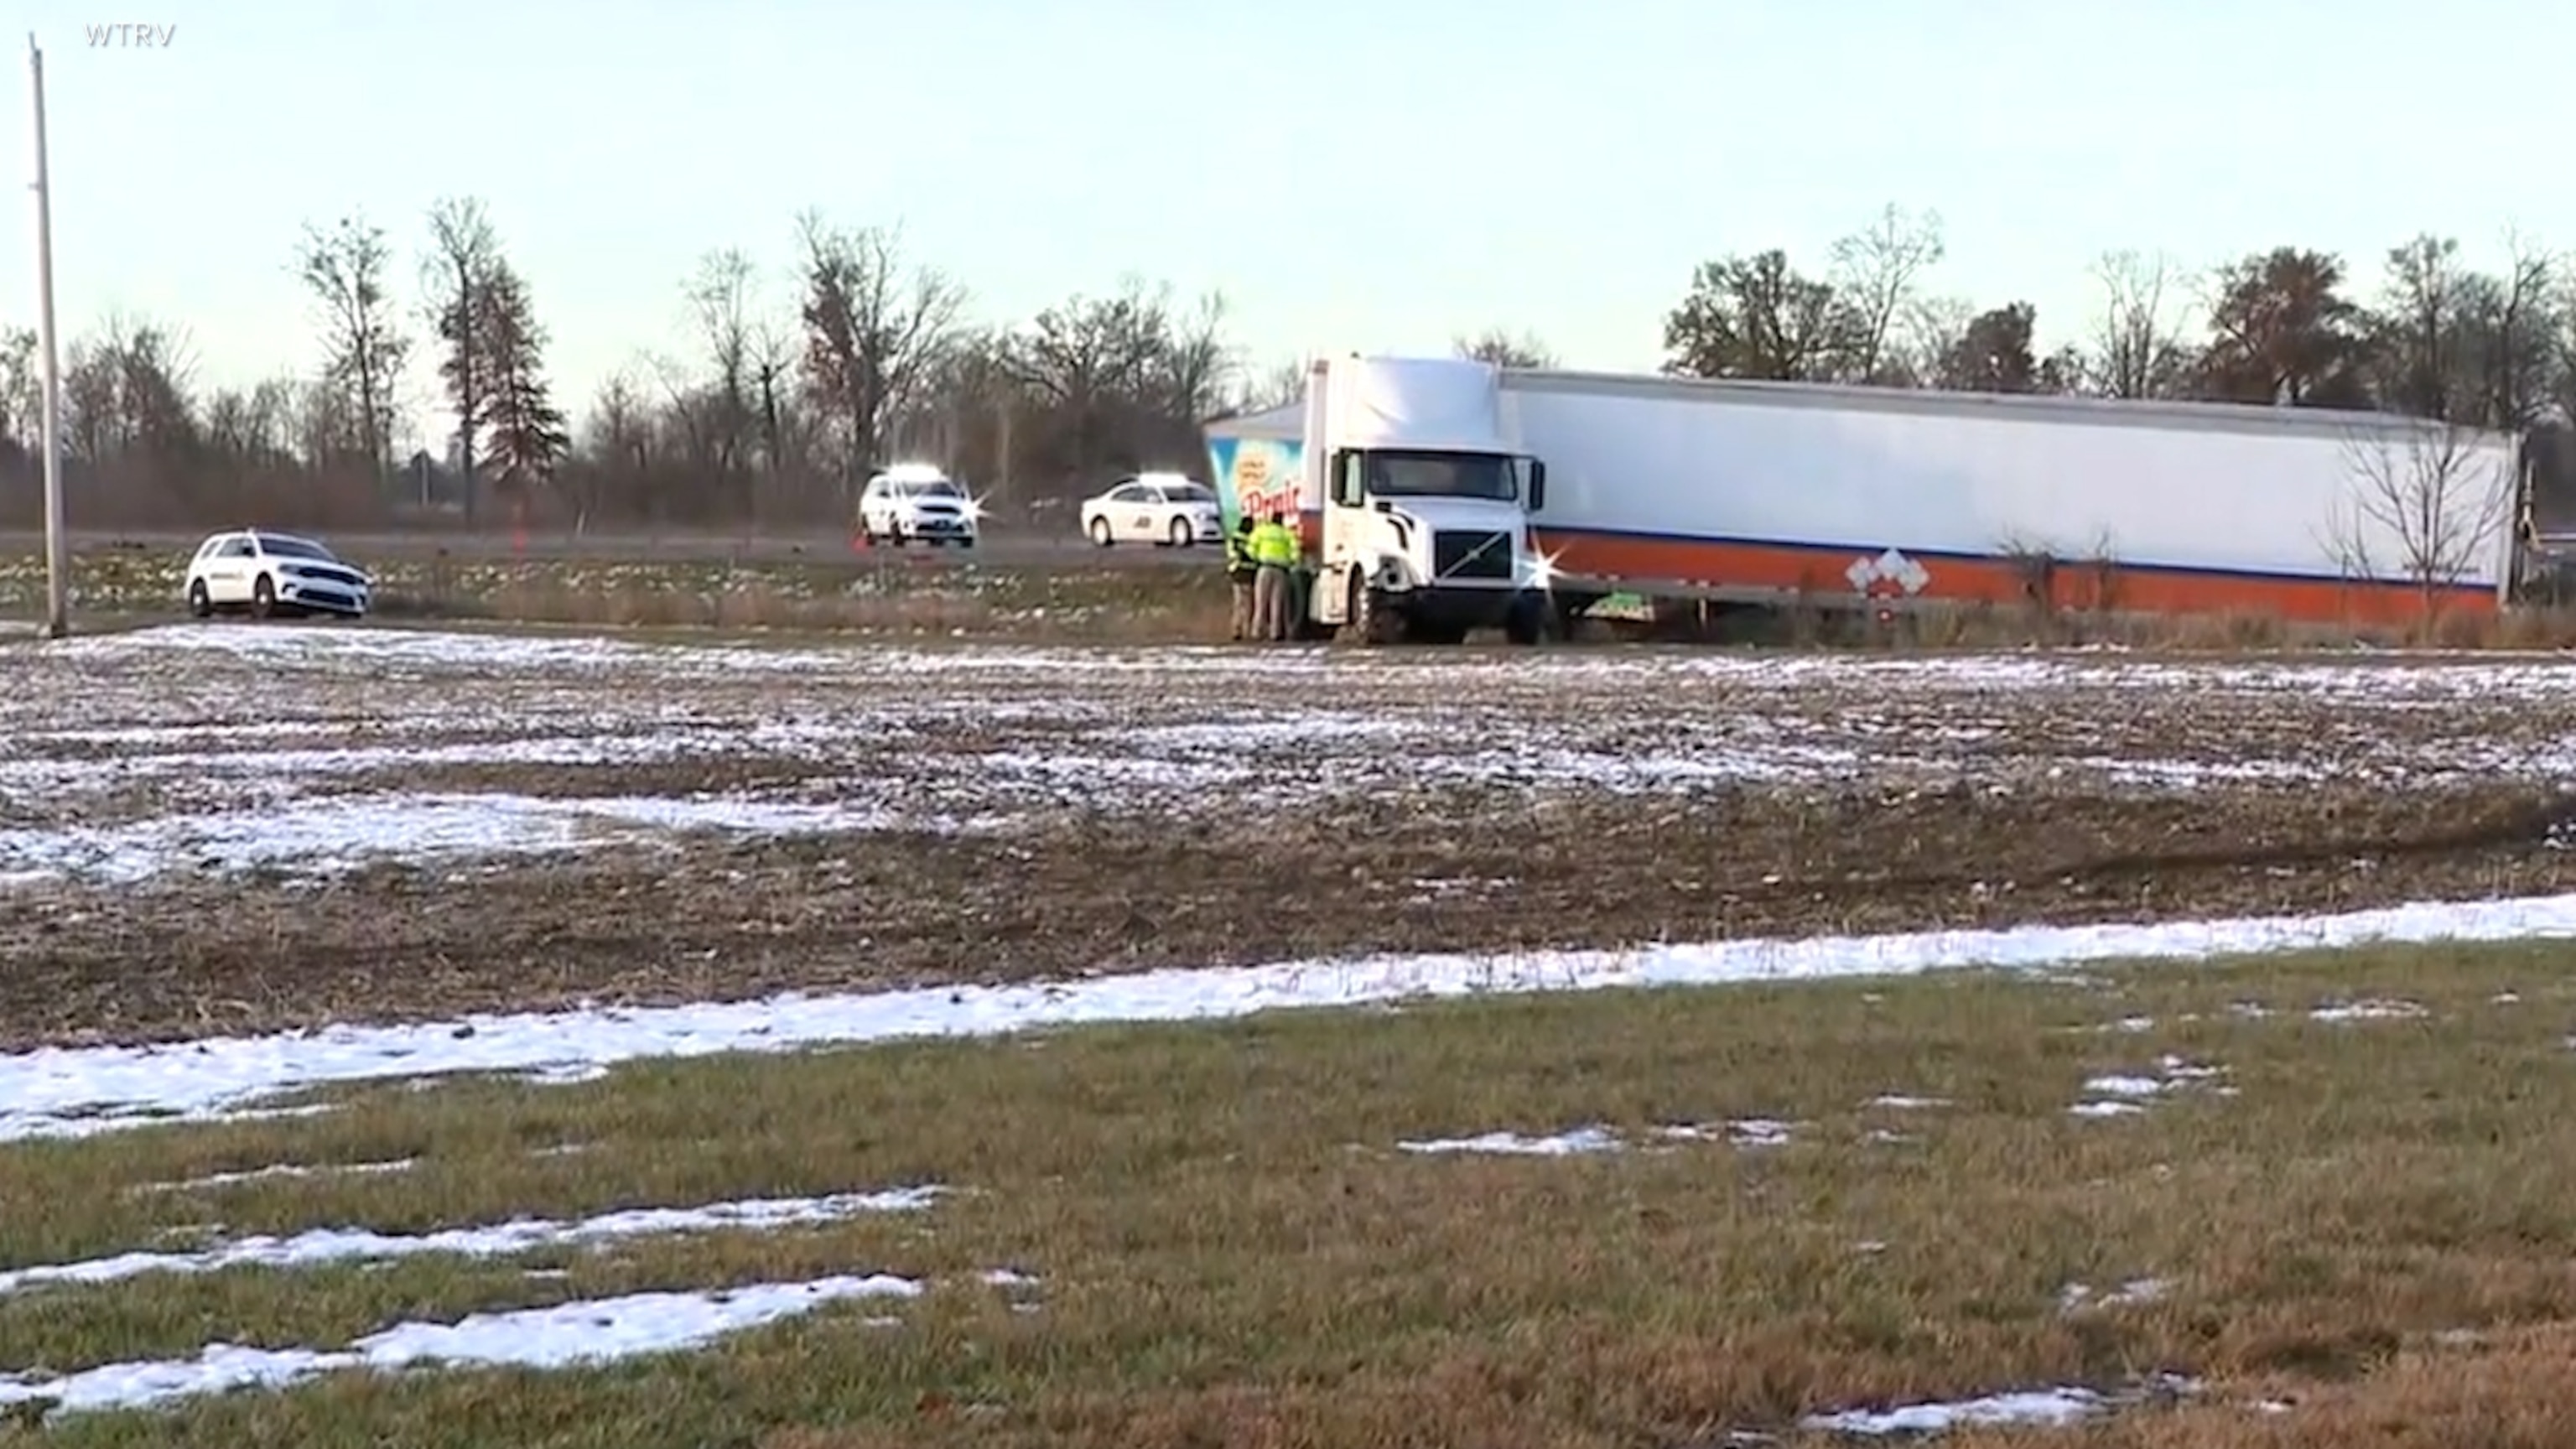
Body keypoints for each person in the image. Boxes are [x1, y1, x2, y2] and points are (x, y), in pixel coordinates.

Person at [1249, 507, 1301, 641]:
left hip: (1264, 568)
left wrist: (1257, 558)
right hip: (1281, 571)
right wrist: (1290, 562)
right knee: (1276, 603)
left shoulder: (1262, 531)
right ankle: (1275, 633)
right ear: (1282, 521)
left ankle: (1256, 632)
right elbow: (1295, 552)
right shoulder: (1286, 534)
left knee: (1260, 603)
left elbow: (1251, 548)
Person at [1223, 512, 1259, 641]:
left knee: (1238, 603)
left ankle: (1236, 630)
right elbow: (1255, 555)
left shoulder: (1234, 538)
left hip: (1237, 573)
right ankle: (1247, 630)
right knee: (1249, 605)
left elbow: (1232, 554)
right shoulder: (1252, 538)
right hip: (1249, 573)